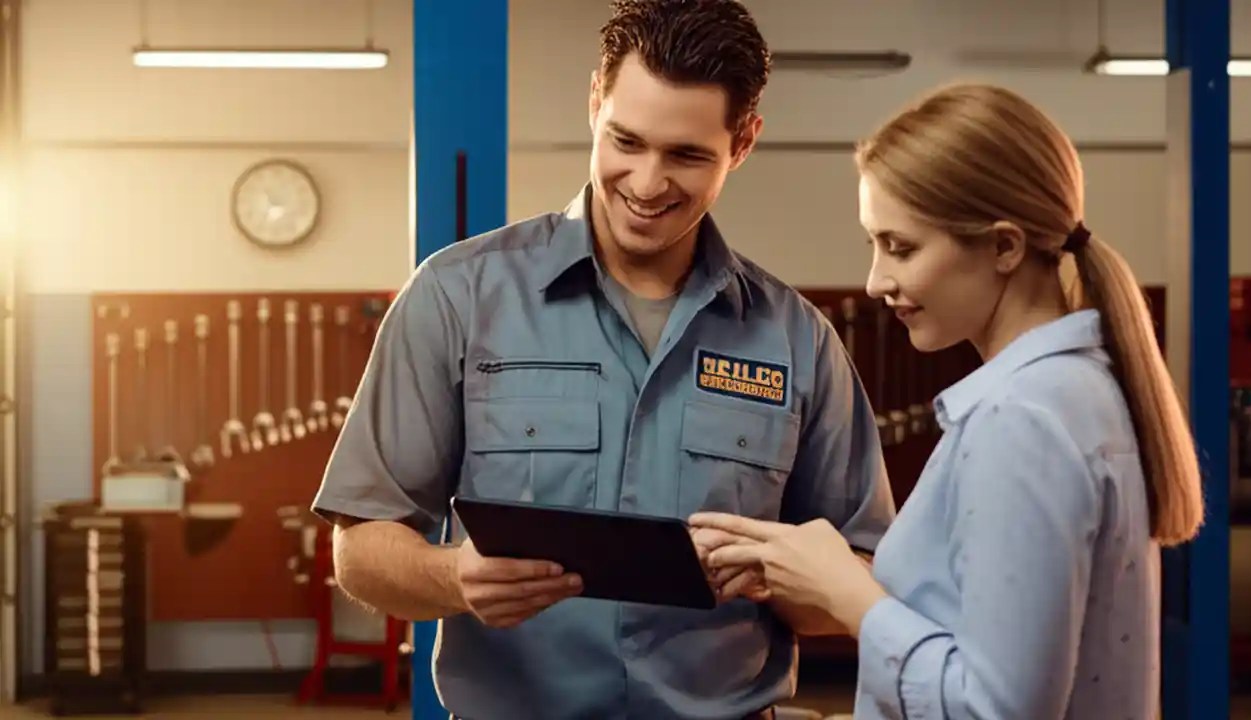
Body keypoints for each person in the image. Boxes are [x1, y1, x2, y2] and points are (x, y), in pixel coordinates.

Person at [310, 1, 896, 718]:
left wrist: (777, 575)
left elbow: (864, 579)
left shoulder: (797, 340)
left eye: (686, 156)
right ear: (595, 102)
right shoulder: (457, 297)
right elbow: (361, 548)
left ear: (743, 141)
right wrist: (453, 575)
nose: (647, 184)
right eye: (627, 141)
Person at [692, 83, 1205, 720]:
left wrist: (848, 594)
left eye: (901, 248)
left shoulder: (1022, 420)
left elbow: (995, 709)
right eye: (874, 245)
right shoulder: (1076, 391)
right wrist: (806, 570)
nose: (877, 281)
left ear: (1004, 247)